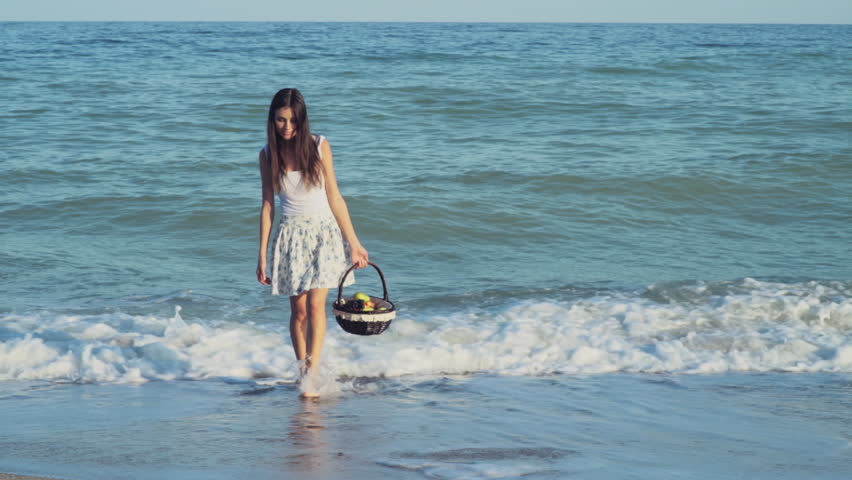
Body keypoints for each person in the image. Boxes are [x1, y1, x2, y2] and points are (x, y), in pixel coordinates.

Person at [255, 88, 369, 398]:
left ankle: (312, 376)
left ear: (302, 120)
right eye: (280, 120)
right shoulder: (267, 155)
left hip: (323, 234)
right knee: (299, 310)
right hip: (290, 235)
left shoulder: (319, 146)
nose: (287, 128)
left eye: (292, 121)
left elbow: (335, 196)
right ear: (272, 119)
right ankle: (302, 368)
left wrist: (354, 243)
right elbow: (268, 205)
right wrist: (262, 255)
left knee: (317, 306)